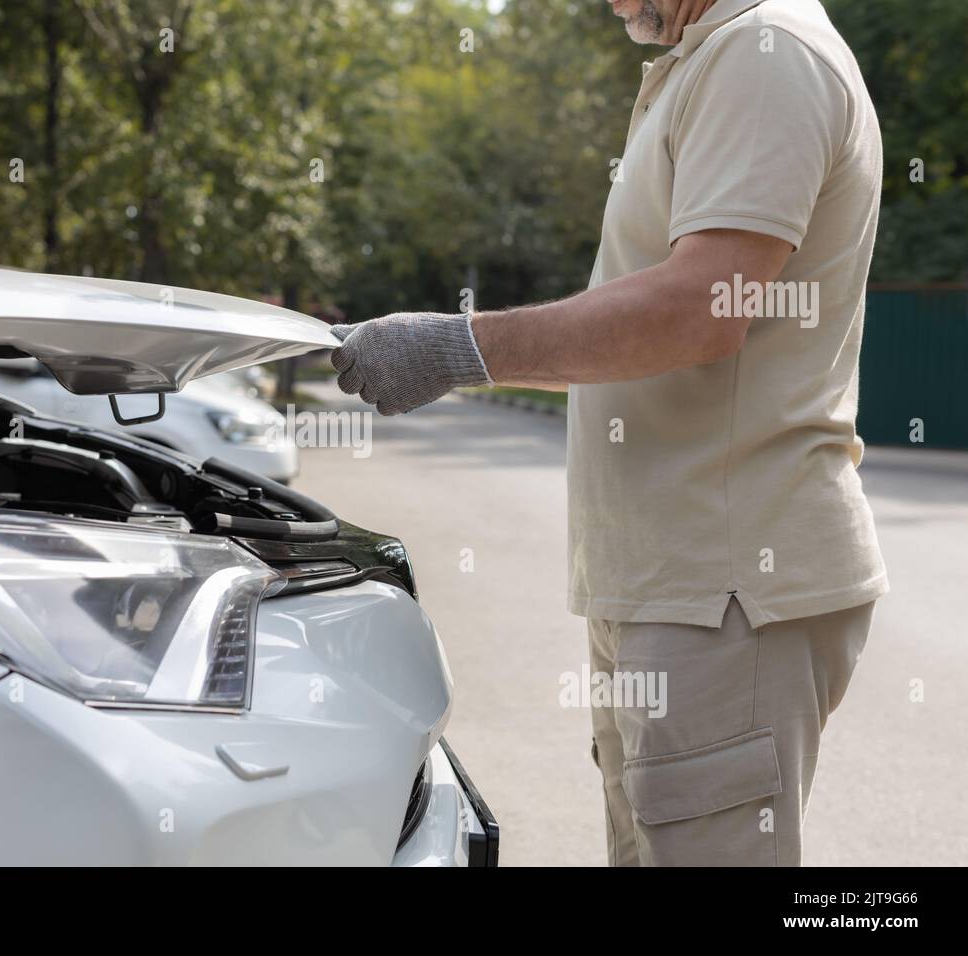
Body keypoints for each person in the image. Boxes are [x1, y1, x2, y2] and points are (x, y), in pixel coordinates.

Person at [330, 0, 887, 866]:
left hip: (727, 587)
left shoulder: (764, 53)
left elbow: (702, 309)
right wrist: (458, 353)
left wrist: (459, 346)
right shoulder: (712, 58)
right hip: (678, 587)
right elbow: (634, 338)